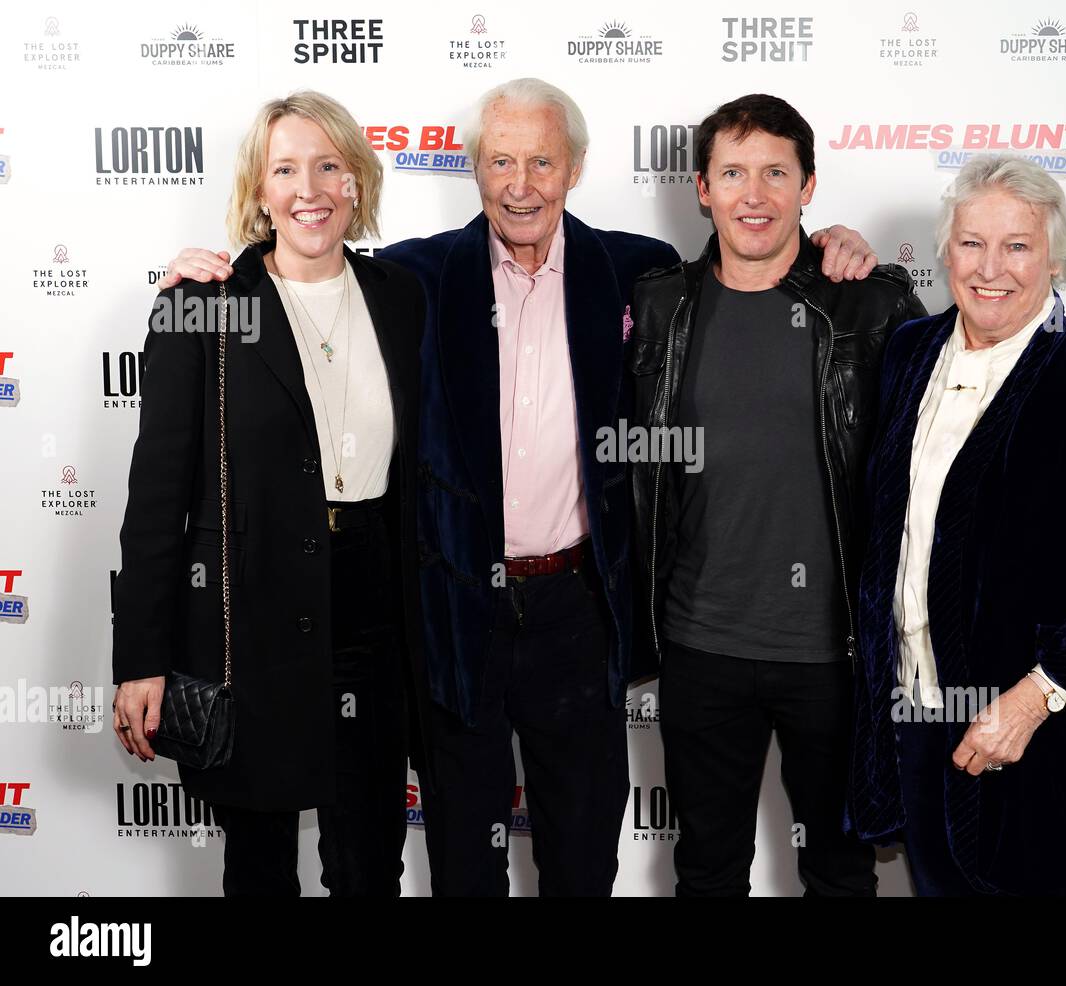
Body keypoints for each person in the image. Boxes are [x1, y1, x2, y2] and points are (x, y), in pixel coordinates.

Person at [158, 77, 878, 897]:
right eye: (501, 160)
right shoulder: (414, 279)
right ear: (475, 170)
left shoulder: (635, 271)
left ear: (574, 168)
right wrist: (215, 274)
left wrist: (832, 248)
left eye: (541, 160)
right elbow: (307, 270)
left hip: (578, 609)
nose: (521, 182)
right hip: (459, 610)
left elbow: (748, 258)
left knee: (581, 857)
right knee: (466, 861)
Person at [111, 91, 427, 896]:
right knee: (257, 871)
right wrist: (142, 660)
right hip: (246, 624)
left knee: (369, 866)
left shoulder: (403, 296)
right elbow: (156, 499)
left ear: (357, 180)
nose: (308, 188)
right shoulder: (201, 306)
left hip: (371, 616)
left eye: (329, 166)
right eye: (284, 168)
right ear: (258, 190)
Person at [846, 154, 1066, 896]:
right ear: (945, 251)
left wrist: (1033, 701)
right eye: (972, 243)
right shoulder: (909, 354)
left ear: (1056, 256)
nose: (990, 267)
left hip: (1045, 740)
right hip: (921, 727)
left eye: (1018, 245)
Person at [627, 94, 927, 896]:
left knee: (838, 869)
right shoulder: (659, 306)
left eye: (774, 173)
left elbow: (946, 437)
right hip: (700, 646)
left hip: (834, 655)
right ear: (702, 188)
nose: (752, 194)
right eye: (732, 172)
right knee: (708, 868)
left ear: (808, 186)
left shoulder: (870, 303)